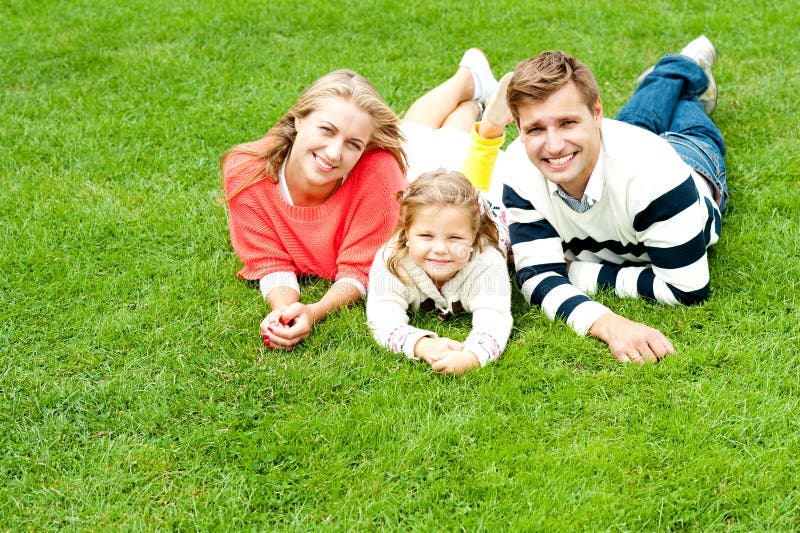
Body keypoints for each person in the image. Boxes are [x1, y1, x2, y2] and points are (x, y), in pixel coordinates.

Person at [501, 36, 728, 364]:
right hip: (605, 148)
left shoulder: (655, 173)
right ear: (519, 130)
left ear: (596, 114)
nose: (552, 145)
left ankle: (687, 68)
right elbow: (535, 276)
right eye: (536, 129)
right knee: (640, 116)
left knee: (688, 111)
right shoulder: (519, 165)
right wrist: (606, 323)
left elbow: (686, 290)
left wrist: (574, 272)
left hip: (690, 161)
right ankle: (675, 71)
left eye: (567, 122)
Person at [221, 69, 408, 350]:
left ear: (364, 148)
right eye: (327, 130)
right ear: (299, 119)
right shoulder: (246, 171)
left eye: (353, 144)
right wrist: (285, 311)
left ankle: (467, 80)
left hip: (424, 174)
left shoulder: (380, 173)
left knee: (442, 134)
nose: (334, 153)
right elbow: (270, 261)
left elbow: (359, 270)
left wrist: (315, 311)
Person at [366, 169, 512, 376]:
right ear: (406, 231)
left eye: (455, 238)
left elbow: (495, 318)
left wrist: (471, 356)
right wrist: (422, 345)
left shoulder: (487, 261)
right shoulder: (391, 259)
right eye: (426, 235)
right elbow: (381, 317)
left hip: (499, 218)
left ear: (473, 235)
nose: (441, 249)